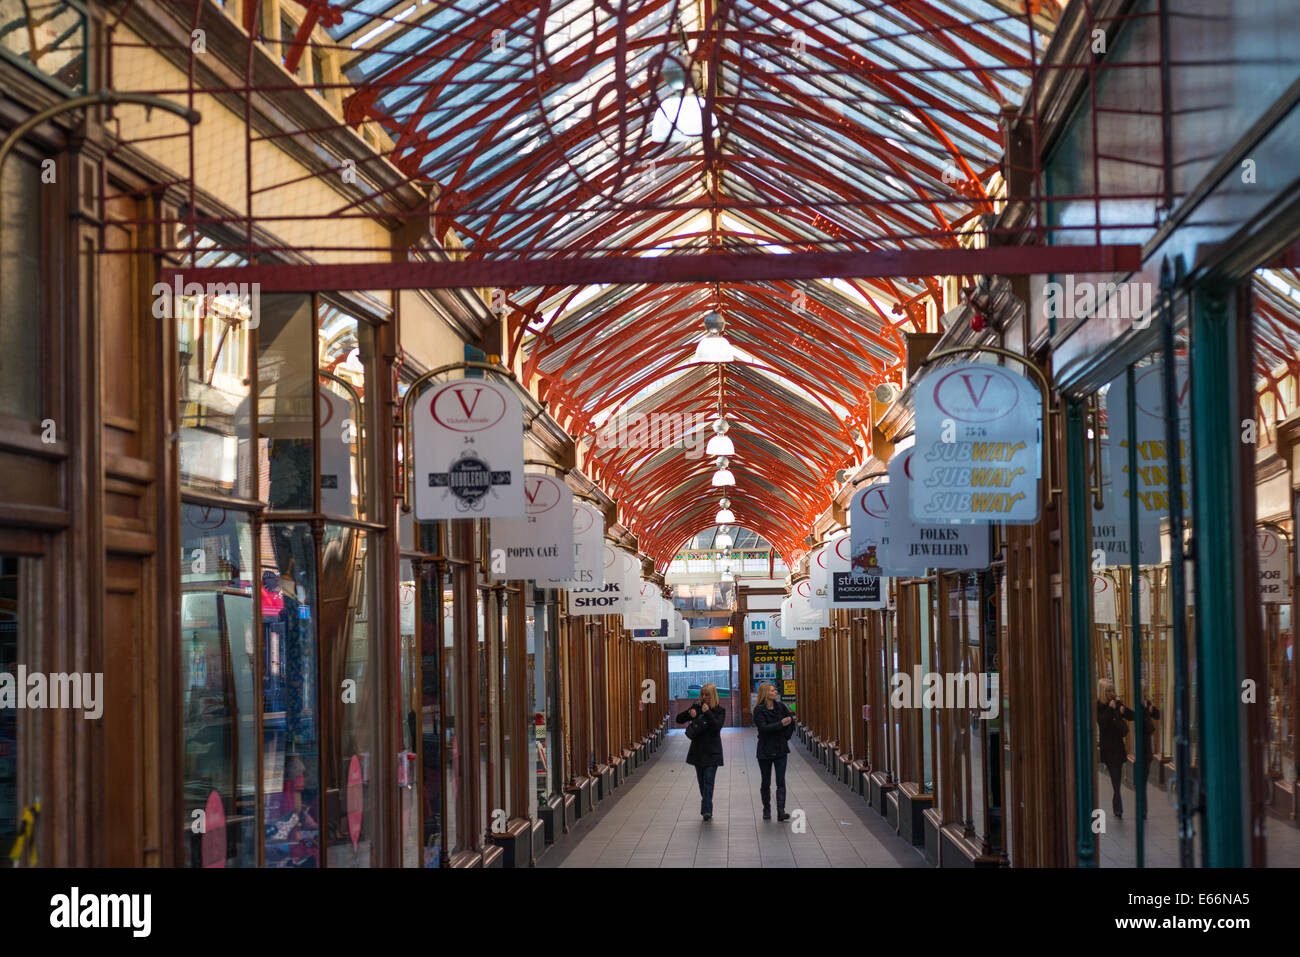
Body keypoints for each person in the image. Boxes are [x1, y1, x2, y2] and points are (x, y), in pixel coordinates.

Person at [676, 683, 725, 821]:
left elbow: (717, 727)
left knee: (709, 780)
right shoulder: (696, 707)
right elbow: (679, 719)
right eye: (702, 694)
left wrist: (707, 712)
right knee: (702, 782)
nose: (704, 697)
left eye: (707, 695)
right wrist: (689, 713)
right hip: (698, 751)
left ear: (713, 695)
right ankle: (707, 803)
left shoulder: (720, 711)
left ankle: (706, 810)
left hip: (713, 751)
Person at [752, 682, 795, 821]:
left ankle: (781, 811)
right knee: (766, 781)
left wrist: (785, 736)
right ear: (765, 693)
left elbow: (791, 722)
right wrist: (780, 724)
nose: (775, 692)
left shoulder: (781, 707)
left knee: (781, 780)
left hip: (780, 748)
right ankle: (766, 809)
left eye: (775, 690)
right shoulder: (758, 710)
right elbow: (763, 728)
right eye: (772, 690)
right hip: (765, 750)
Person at [1097, 679, 1136, 819]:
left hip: (1118, 746)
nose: (1112, 693)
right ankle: (1118, 806)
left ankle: (1116, 802)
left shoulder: (1117, 703)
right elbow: (1102, 722)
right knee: (1115, 778)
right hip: (1108, 748)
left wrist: (1124, 710)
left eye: (1112, 690)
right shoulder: (1099, 706)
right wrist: (1110, 709)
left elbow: (1132, 716)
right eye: (1108, 691)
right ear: (1103, 692)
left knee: (1117, 778)